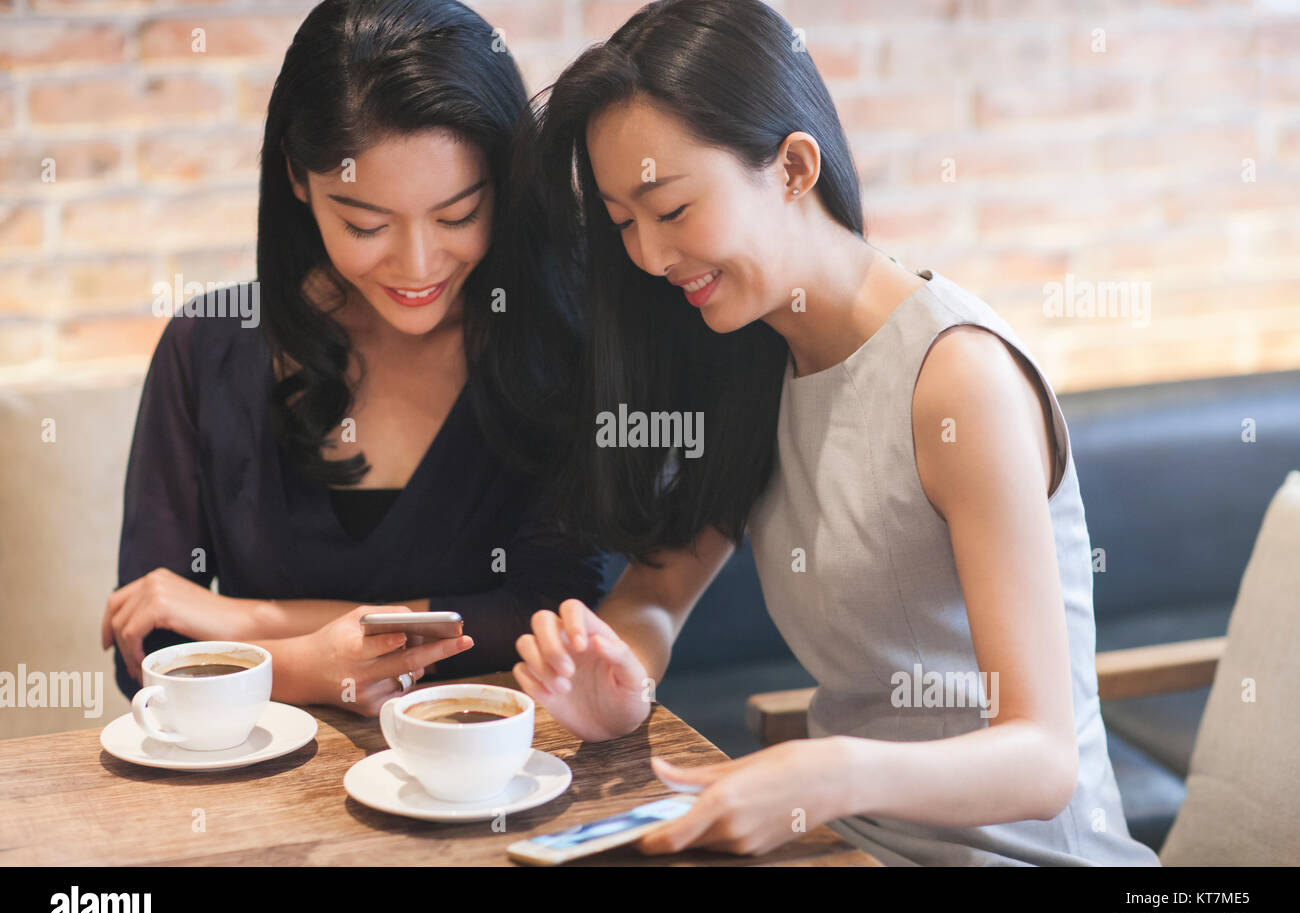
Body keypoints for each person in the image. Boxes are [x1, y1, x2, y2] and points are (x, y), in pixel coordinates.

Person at [513, 0, 1159, 865]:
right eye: (624, 222)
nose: (649, 258)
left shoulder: (955, 378)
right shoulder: (754, 350)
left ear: (791, 167)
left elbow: (1042, 759)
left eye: (670, 210)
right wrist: (619, 687)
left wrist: (827, 773)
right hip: (845, 844)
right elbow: (658, 593)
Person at [102, 0, 604, 717]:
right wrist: (305, 668)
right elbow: (147, 642)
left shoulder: (555, 342)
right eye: (366, 224)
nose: (419, 263)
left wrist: (257, 634)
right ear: (299, 181)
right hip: (255, 793)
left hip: (489, 779)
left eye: (458, 214)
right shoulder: (206, 347)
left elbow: (552, 616)